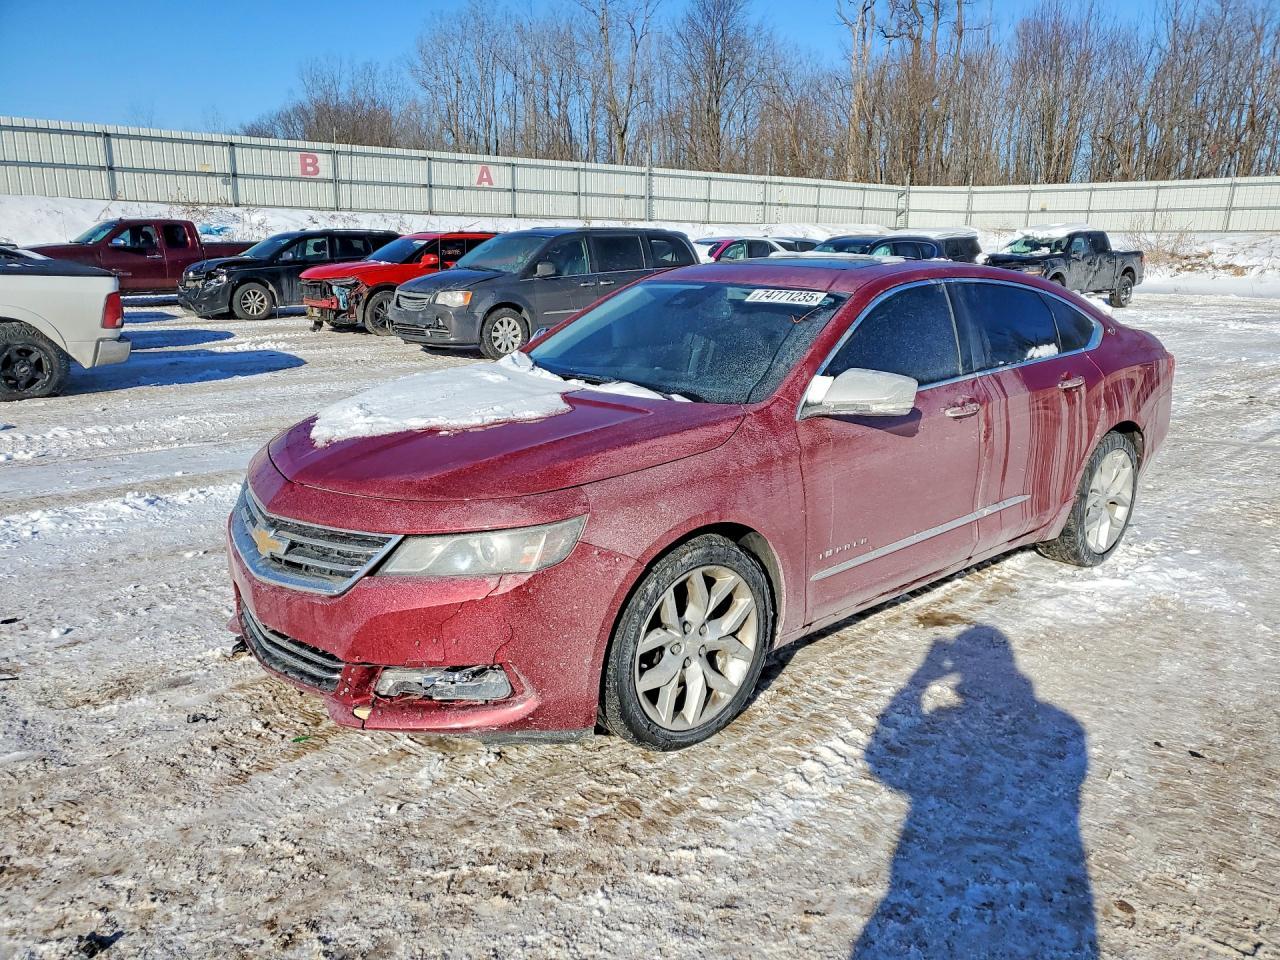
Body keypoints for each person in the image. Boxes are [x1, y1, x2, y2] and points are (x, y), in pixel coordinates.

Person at [853, 626, 1097, 959]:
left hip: (940, 882)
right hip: (1036, 893)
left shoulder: (948, 721)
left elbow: (884, 761)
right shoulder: (1065, 726)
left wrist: (921, 680)